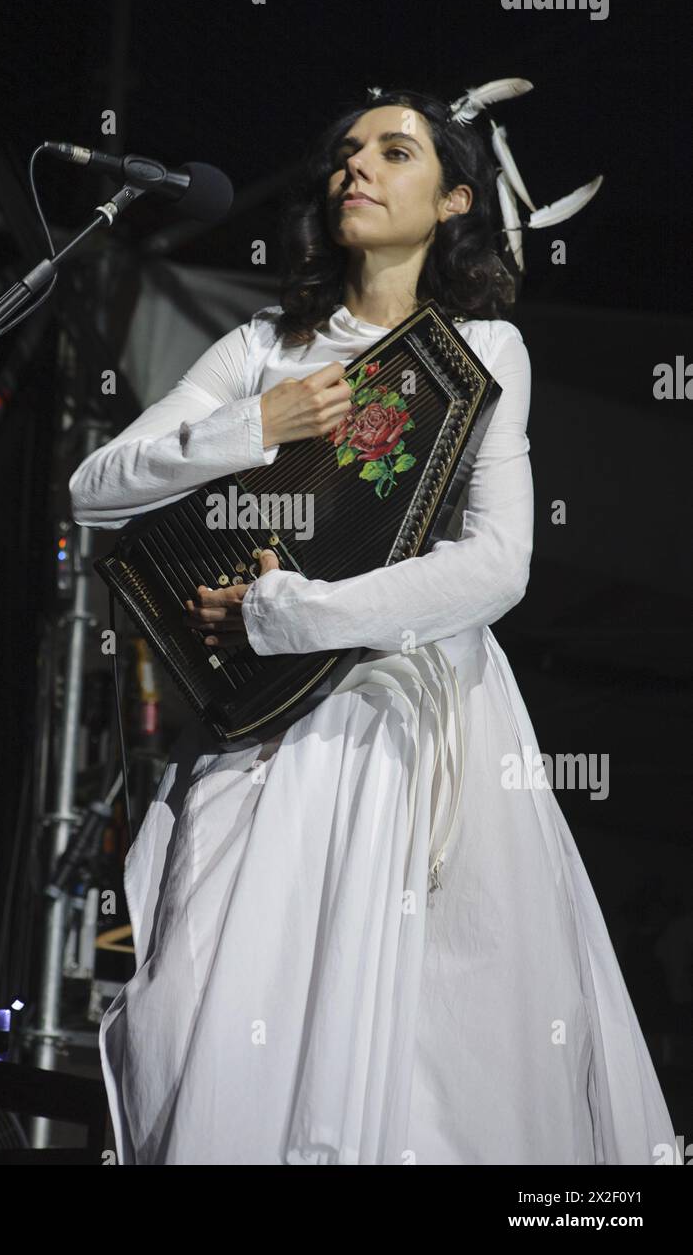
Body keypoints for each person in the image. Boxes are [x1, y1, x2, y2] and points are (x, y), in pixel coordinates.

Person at [70, 85, 678, 1165]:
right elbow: (96, 488)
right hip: (258, 725)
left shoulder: (482, 350)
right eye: (347, 151)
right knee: (203, 1013)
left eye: (392, 153)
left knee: (421, 1056)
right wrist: (250, 424)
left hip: (399, 719)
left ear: (451, 200)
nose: (356, 167)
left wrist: (292, 613)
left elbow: (497, 564)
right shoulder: (264, 347)